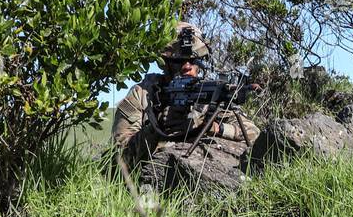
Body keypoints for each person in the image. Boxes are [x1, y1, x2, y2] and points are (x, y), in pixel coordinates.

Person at [111, 22, 260, 167]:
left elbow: (253, 133)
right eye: (179, 62)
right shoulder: (143, 94)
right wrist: (156, 130)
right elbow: (119, 156)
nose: (187, 67)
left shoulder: (207, 91)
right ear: (165, 63)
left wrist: (214, 128)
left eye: (193, 61)